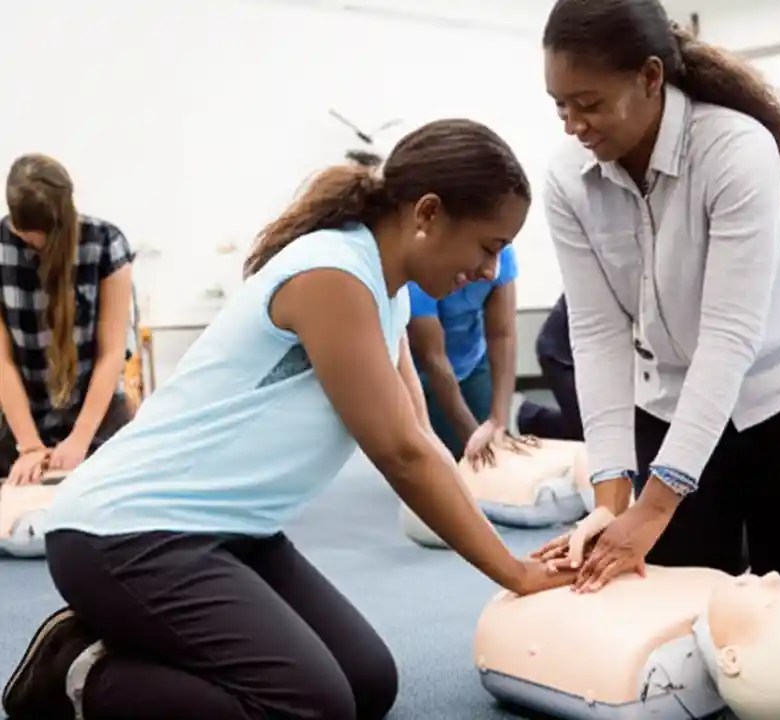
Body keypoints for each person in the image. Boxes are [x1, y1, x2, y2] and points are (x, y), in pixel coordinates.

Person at [1, 119, 576, 720]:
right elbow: (400, 454)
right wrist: (513, 571)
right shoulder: (334, 275)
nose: (492, 271)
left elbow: (420, 438)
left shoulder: (392, 291)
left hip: (232, 532)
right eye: (489, 247)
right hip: (125, 533)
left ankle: (131, 642)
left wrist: (515, 551)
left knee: (368, 684)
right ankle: (80, 674)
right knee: (310, 707)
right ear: (427, 214)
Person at [531, 0, 780, 631]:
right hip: (672, 404)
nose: (573, 126)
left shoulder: (734, 148)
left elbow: (729, 336)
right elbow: (596, 333)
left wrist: (657, 504)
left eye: (588, 104)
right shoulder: (567, 180)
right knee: (676, 603)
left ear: (649, 78)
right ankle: (748, 532)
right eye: (560, 106)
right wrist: (613, 500)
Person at [1, 154, 135, 486]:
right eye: (26, 234)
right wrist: (30, 445)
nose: (36, 244)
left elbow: (111, 353)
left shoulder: (106, 244)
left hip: (98, 419)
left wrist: (79, 439)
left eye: (40, 235)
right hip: (21, 421)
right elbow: (2, 361)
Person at [405, 241, 530, 467]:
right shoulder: (420, 274)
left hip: (473, 362)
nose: (491, 271)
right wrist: (473, 438)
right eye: (486, 254)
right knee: (446, 462)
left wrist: (498, 421)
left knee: (492, 443)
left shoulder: (502, 253)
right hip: (423, 374)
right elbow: (433, 358)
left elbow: (502, 335)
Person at [515, 294, 585, 441]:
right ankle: (535, 421)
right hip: (563, 353)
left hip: (592, 349)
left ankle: (532, 418)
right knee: (593, 428)